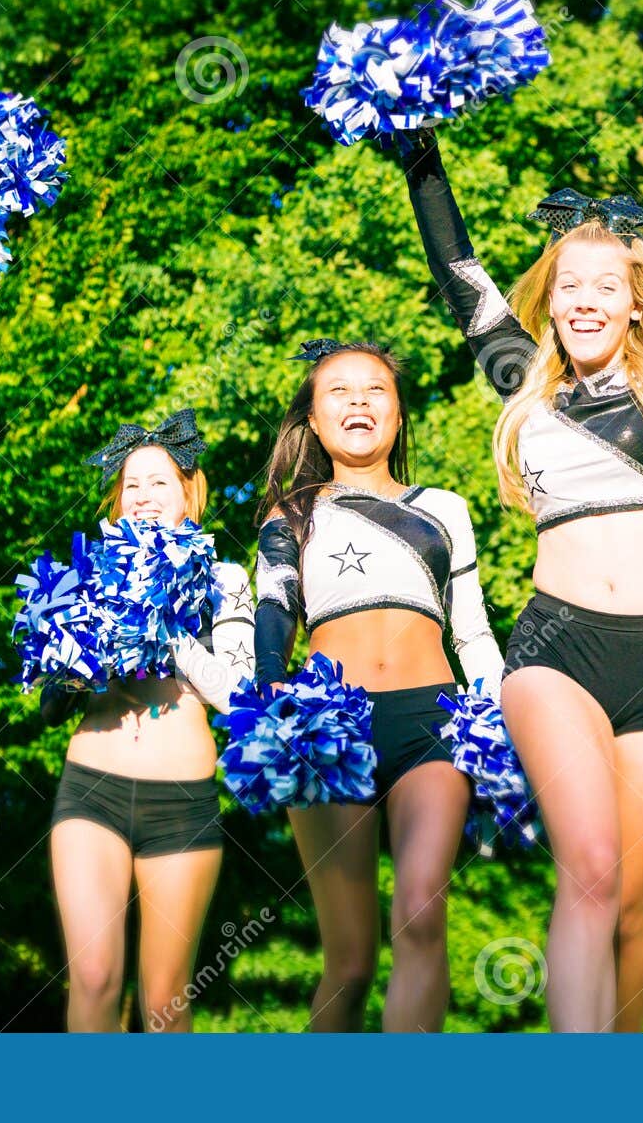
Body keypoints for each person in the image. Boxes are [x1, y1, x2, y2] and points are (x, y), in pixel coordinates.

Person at [398, 109, 643, 1030]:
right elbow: (458, 276)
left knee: (629, 911)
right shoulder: (521, 388)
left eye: (602, 286)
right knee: (591, 870)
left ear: (633, 300)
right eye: (568, 284)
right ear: (551, 297)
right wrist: (416, 145)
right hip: (557, 653)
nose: (582, 300)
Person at [254, 339, 504, 1032]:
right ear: (311, 416)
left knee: (423, 912)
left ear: (398, 415)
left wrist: (502, 714)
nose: (359, 400)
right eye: (339, 390)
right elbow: (273, 610)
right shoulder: (290, 514)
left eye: (376, 390)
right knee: (351, 958)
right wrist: (270, 688)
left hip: (435, 721)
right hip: (327, 729)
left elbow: (474, 631)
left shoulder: (444, 508)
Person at [44, 410, 252, 1032]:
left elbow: (239, 693)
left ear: (190, 493)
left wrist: (162, 625)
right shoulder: (85, 574)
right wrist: (71, 657)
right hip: (91, 791)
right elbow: (53, 702)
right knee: (94, 979)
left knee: (165, 1003)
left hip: (181, 805)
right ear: (116, 498)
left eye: (159, 482)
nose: (144, 495)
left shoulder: (226, 580)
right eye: (131, 484)